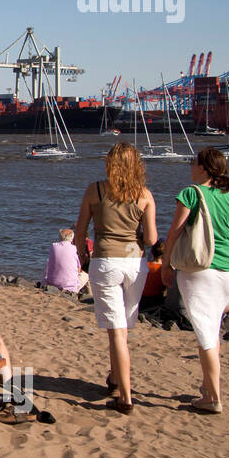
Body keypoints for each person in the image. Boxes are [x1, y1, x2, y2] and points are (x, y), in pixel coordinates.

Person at [164, 147, 229, 414]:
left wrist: (166, 264)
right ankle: (207, 386)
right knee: (211, 330)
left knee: (205, 334)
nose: (190, 166)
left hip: (200, 271)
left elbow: (175, 233)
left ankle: (213, 397)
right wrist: (223, 235)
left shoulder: (191, 193)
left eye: (193, 162)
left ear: (203, 168)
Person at [73, 142, 157, 414]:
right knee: (122, 329)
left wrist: (82, 257)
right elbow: (152, 239)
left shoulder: (95, 190)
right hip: (135, 264)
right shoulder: (144, 195)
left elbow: (80, 231)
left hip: (106, 261)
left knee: (116, 330)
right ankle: (114, 377)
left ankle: (125, 397)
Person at [41, 227, 87, 293]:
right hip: (70, 287)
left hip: (51, 283)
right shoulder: (74, 249)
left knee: (49, 263)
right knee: (87, 273)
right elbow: (79, 269)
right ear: (72, 238)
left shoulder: (53, 246)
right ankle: (86, 295)